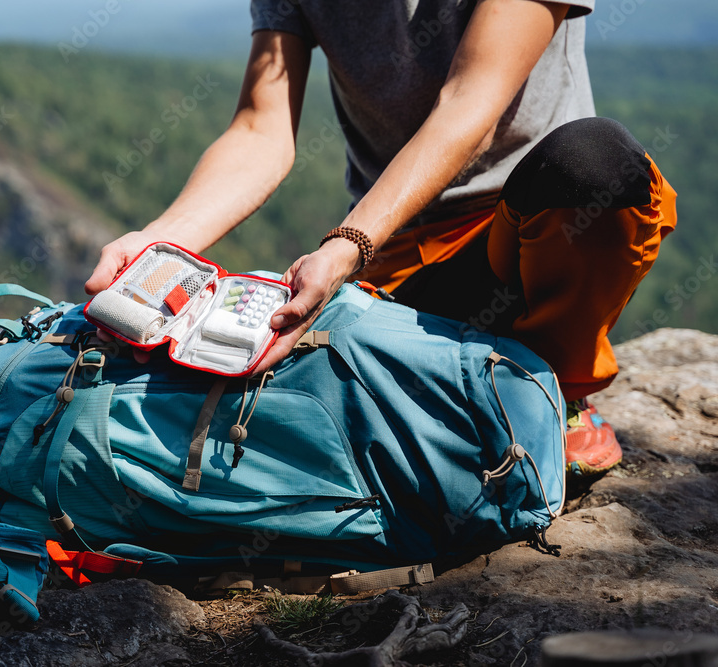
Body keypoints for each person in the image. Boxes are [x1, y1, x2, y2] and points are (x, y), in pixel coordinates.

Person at [84, 0, 677, 476]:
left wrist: (344, 245)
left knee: (595, 166)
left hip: (525, 241)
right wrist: (160, 242)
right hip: (398, 262)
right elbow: (261, 130)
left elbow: (471, 101)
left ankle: (556, 387)